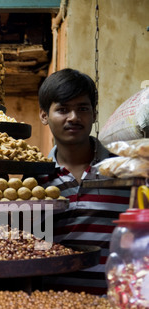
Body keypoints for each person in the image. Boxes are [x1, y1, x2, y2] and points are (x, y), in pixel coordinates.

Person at [38, 68, 130, 295]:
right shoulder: (35, 180)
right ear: (44, 116)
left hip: (116, 308)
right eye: (62, 109)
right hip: (52, 308)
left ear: (94, 114)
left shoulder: (126, 171)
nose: (74, 118)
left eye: (83, 109)